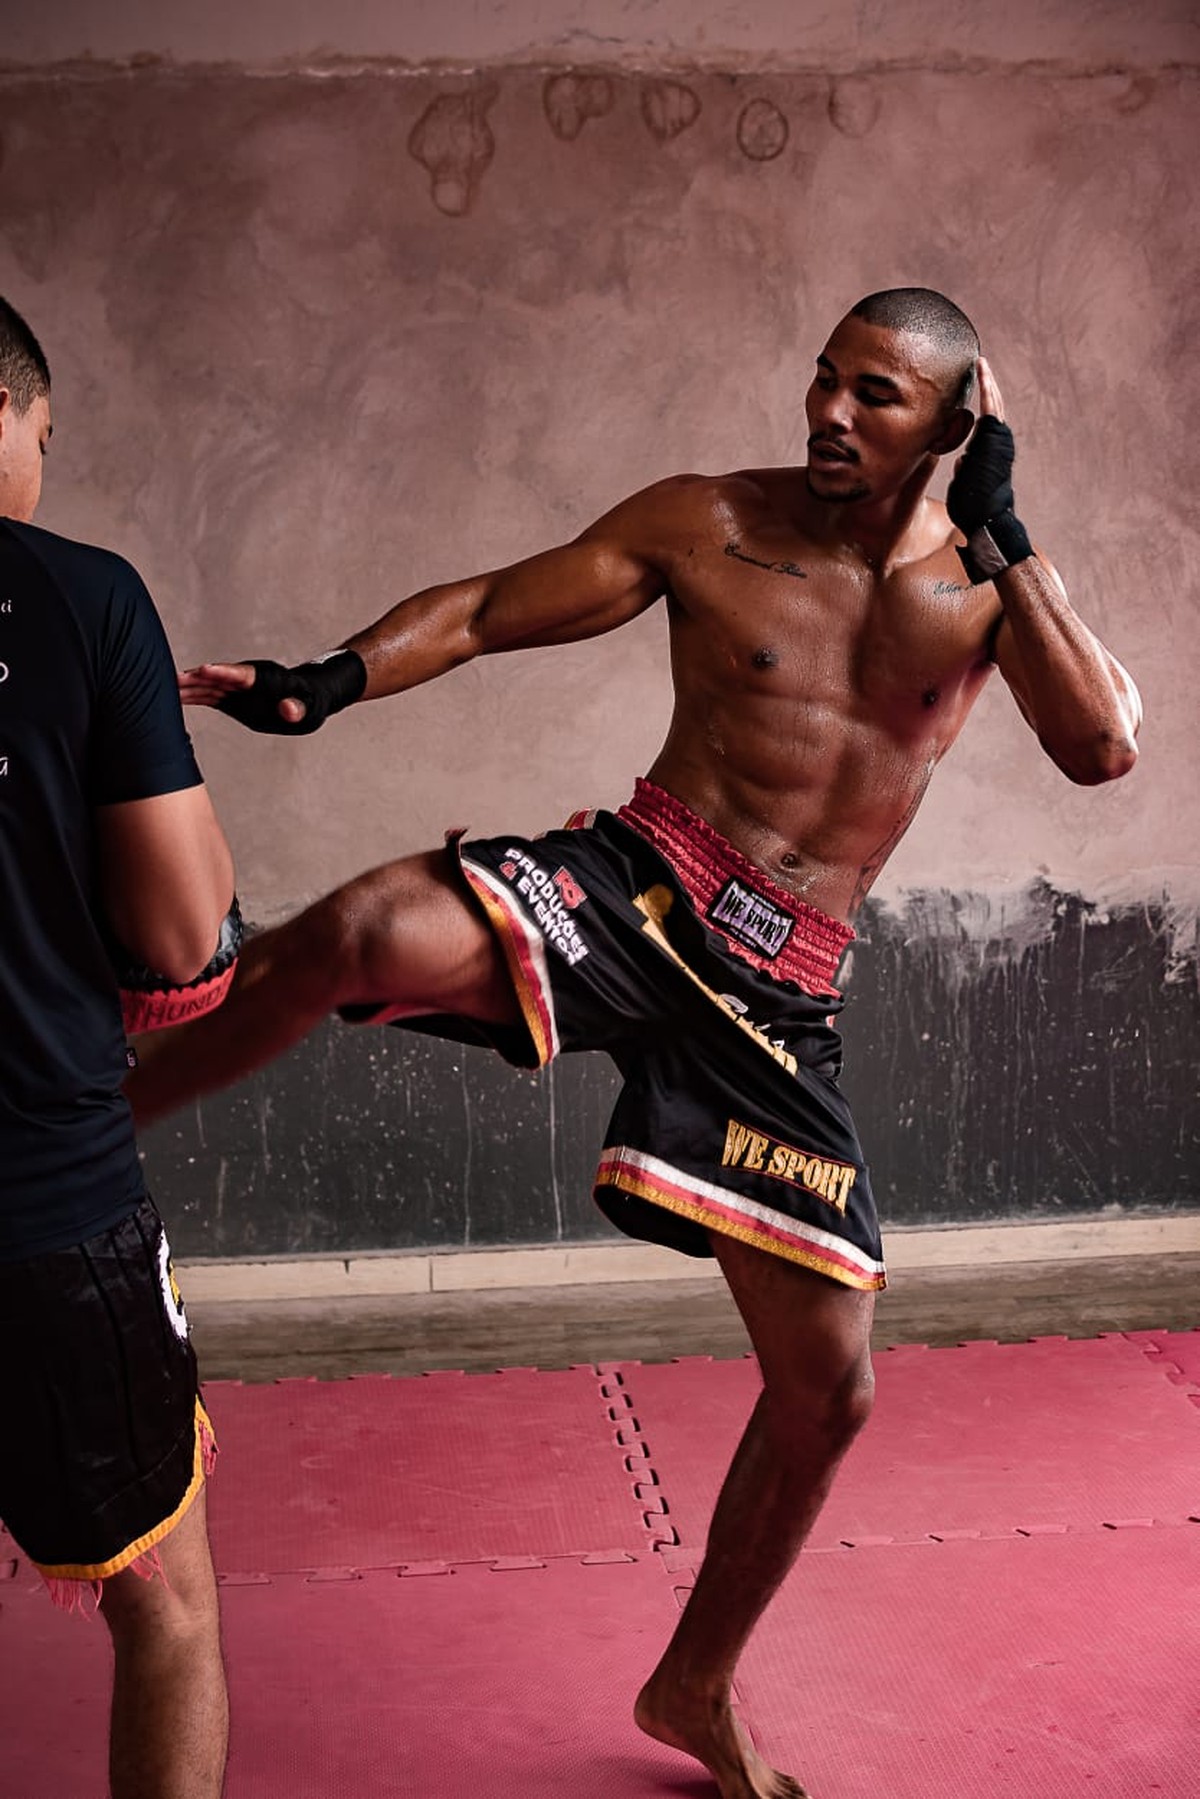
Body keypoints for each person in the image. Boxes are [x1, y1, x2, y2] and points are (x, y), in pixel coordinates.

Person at [128, 288, 1141, 1799]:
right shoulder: (709, 521)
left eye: (875, 394)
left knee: (831, 1395)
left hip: (780, 995)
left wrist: (1006, 528)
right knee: (358, 935)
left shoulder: (990, 595)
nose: (830, 415)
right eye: (822, 381)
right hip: (640, 884)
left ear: (952, 419)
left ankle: (694, 1686)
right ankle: (86, 1115)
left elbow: (1100, 742)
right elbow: (484, 610)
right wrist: (327, 680)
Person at [0, 296, 238, 1799]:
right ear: (17, 419)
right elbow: (177, 937)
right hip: (43, 1202)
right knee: (165, 1609)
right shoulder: (81, 600)